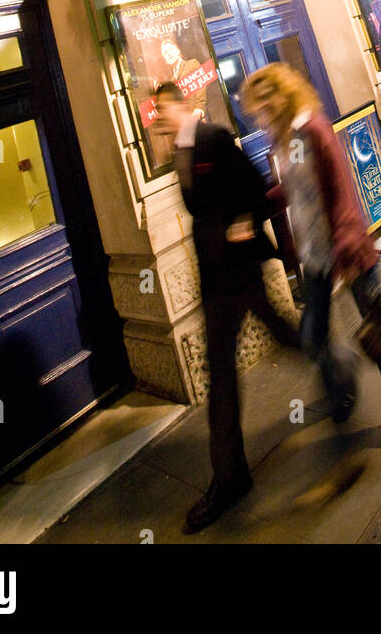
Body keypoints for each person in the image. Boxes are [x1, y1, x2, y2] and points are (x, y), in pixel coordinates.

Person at [240, 63, 381, 458]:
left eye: (265, 105)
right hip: (315, 255)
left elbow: (339, 189)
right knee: (312, 337)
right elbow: (295, 189)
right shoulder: (286, 138)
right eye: (256, 110)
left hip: (347, 249)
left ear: (283, 95)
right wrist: (255, 208)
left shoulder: (314, 127)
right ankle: (343, 386)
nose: (261, 115)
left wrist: (347, 248)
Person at [151, 81, 300, 534]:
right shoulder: (177, 154)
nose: (158, 116)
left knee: (283, 335)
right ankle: (231, 477)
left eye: (161, 107)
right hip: (217, 280)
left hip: (240, 268)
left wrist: (243, 222)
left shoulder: (214, 137)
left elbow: (255, 188)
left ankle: (336, 370)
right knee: (222, 377)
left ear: (181, 105)